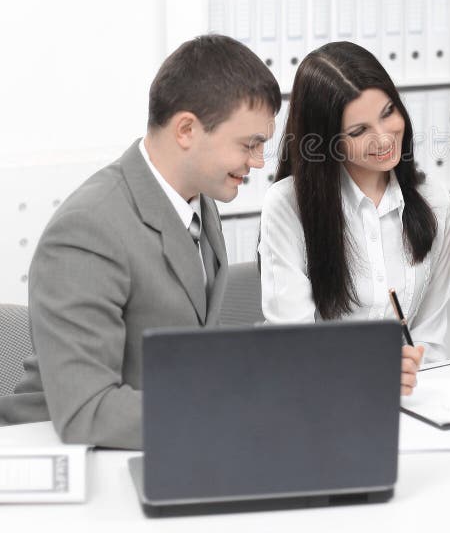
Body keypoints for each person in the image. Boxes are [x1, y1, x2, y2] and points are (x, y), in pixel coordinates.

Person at [0, 35, 280, 448]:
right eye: (249, 145)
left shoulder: (199, 196)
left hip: (153, 438)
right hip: (62, 451)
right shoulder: (87, 229)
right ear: (186, 129)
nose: (258, 162)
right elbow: (86, 411)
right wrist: (223, 414)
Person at [258, 42, 450, 394]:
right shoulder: (287, 206)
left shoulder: (434, 201)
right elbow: (295, 349)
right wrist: (369, 373)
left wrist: (414, 386)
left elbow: (430, 342)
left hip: (417, 404)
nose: (384, 137)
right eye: (358, 131)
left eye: (388, 111)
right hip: (325, 402)